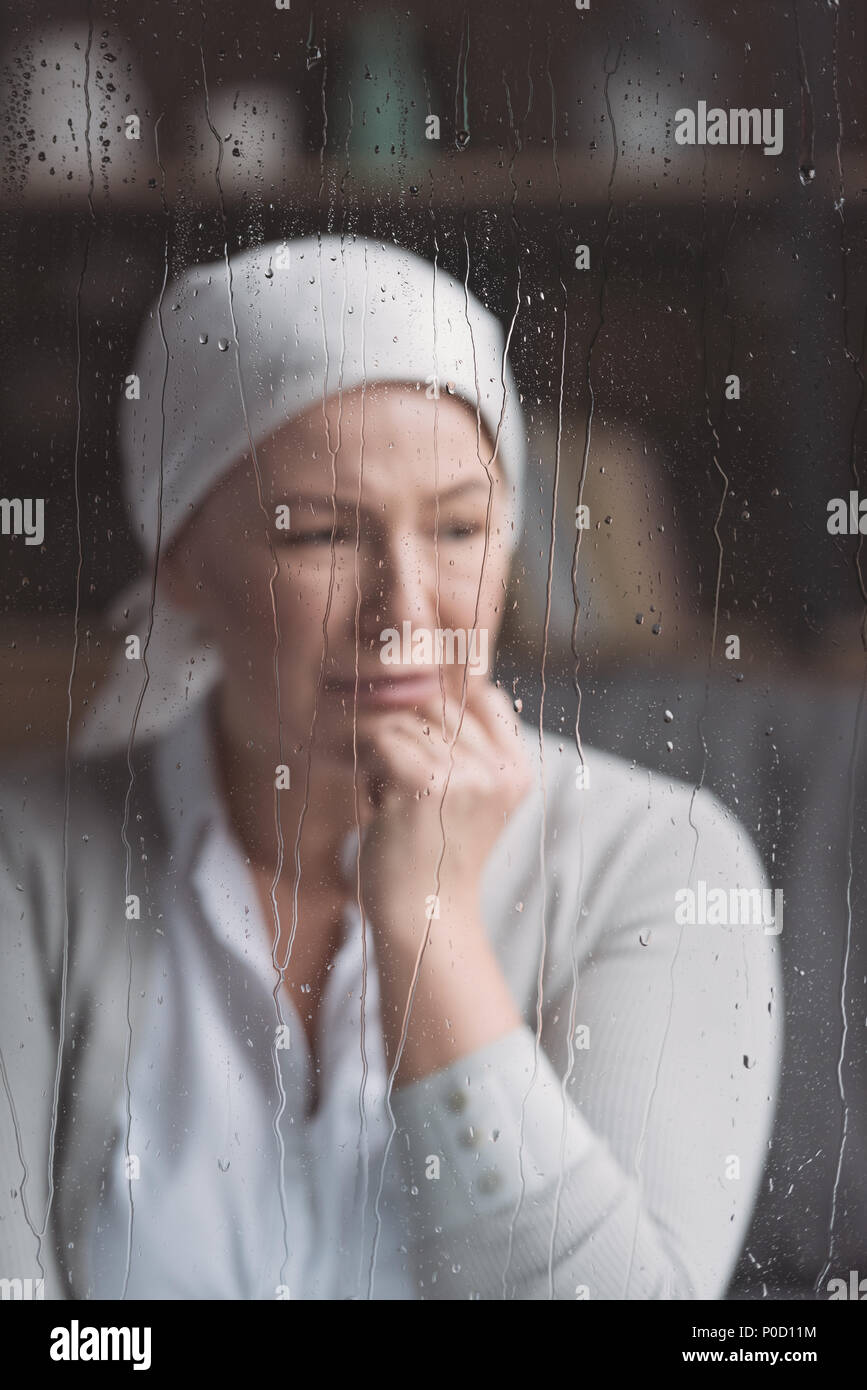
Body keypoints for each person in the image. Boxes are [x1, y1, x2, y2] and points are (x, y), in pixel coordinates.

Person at [0, 234, 781, 1300]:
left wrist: (431, 926)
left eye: (461, 527)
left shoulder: (665, 861)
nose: (407, 612)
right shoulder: (28, 863)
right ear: (180, 559)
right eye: (320, 535)